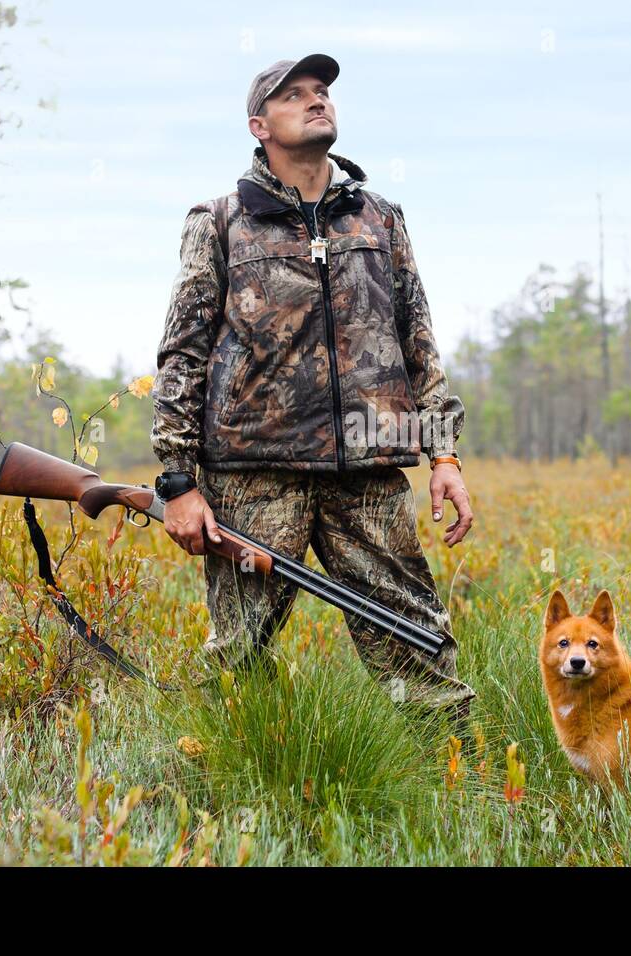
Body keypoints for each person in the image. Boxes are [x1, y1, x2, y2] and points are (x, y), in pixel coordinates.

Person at [150, 53, 476, 731]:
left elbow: (419, 340)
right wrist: (177, 480)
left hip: (370, 473)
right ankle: (248, 783)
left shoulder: (380, 219)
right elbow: (182, 352)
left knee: (418, 643)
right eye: (294, 95)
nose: (315, 101)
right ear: (258, 124)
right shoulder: (220, 221)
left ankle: (464, 794)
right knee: (240, 655)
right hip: (252, 475)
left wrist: (444, 458)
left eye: (322, 91)